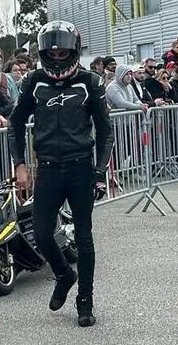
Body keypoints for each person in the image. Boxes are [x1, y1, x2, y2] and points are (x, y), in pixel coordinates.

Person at [10, 21, 114, 327]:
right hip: (48, 169)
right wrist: (19, 164)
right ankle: (64, 274)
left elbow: (106, 130)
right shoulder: (32, 80)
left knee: (83, 237)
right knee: (41, 234)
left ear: (74, 49)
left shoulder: (90, 81)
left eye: (62, 49)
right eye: (51, 50)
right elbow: (15, 125)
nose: (56, 55)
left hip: (81, 167)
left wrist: (99, 172)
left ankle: (85, 300)